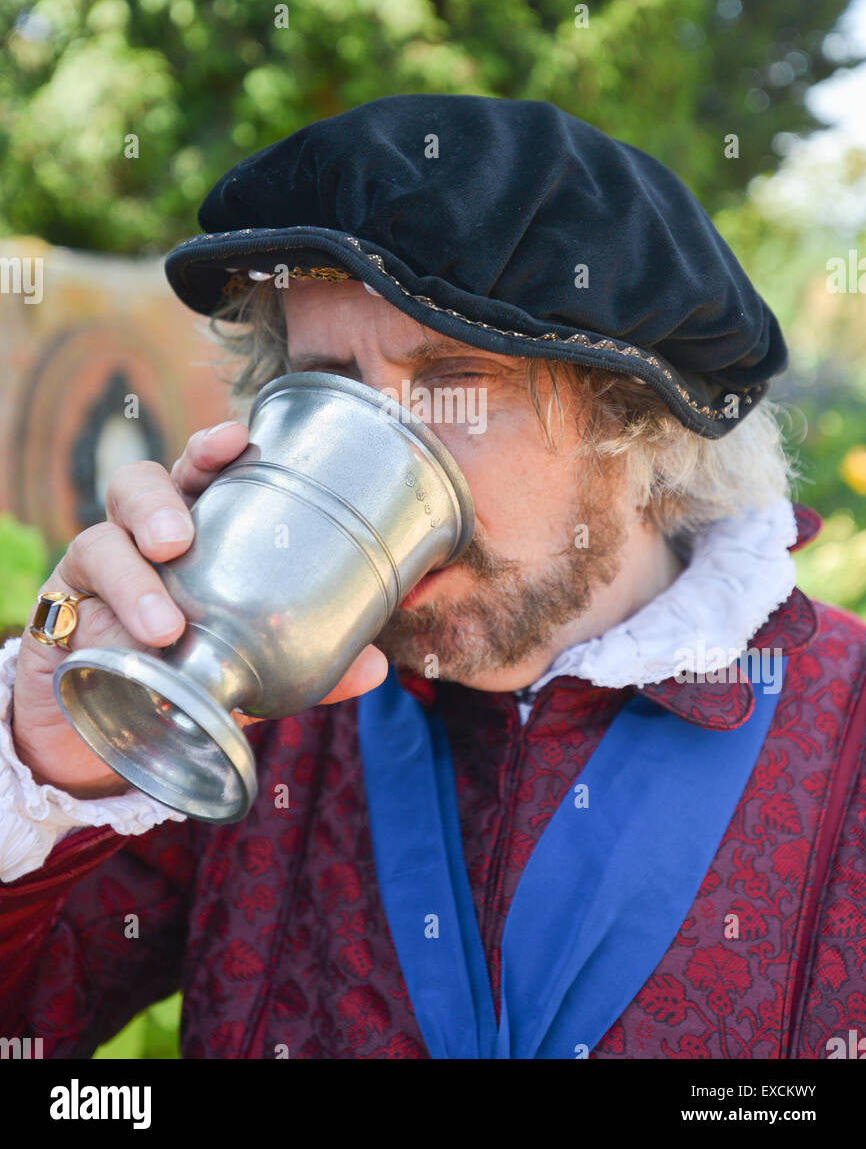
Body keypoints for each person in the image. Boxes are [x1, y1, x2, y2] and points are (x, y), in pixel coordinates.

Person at [1, 95, 863, 1060]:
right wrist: (46, 767)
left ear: (636, 423)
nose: (373, 459)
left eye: (453, 383)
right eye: (328, 385)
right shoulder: (239, 719)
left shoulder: (849, 732)